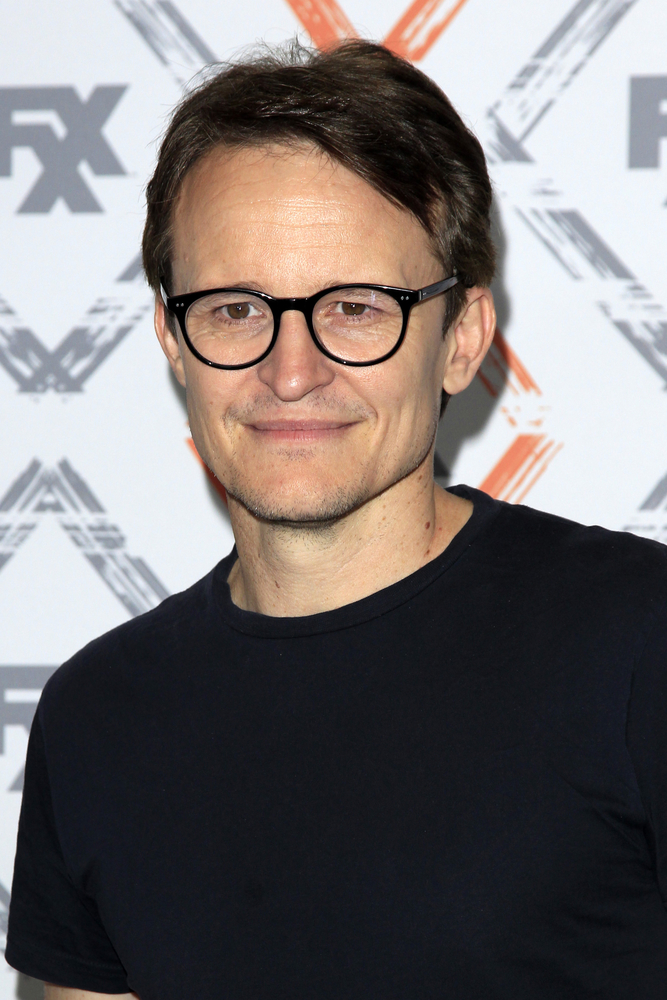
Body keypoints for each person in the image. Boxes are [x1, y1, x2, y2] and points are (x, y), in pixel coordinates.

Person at [6, 38, 667, 1000]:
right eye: (235, 308)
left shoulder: (638, 646)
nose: (290, 371)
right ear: (172, 339)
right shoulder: (95, 717)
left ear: (462, 339)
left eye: (356, 307)